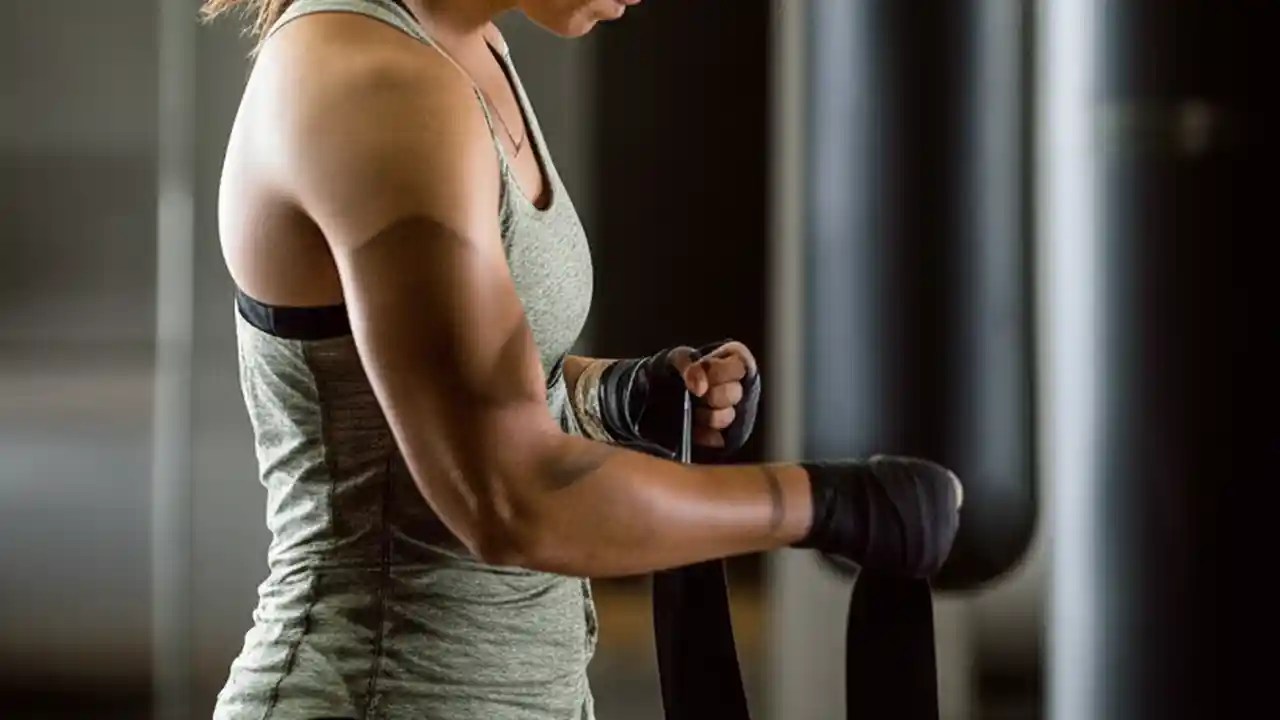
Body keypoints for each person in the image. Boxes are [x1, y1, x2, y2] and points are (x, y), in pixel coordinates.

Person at [201, 0, 963, 717]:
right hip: (378, 694)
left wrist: (614, 397)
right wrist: (829, 506)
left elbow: (422, 371)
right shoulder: (378, 84)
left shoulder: (468, 47)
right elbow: (509, 498)